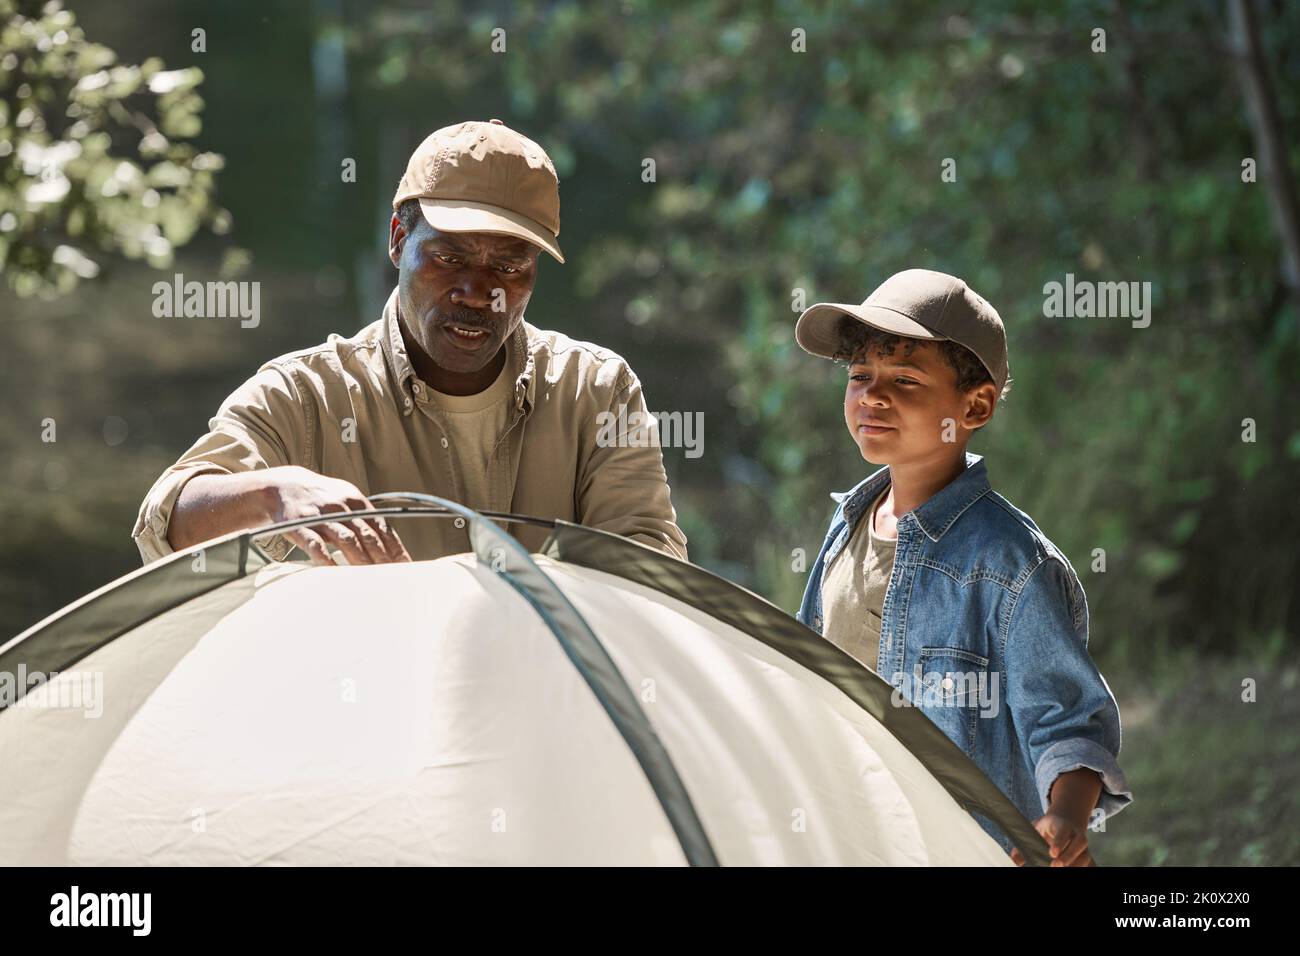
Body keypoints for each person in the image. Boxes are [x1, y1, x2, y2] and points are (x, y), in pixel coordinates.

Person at [133, 119, 687, 566]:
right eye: (450, 259)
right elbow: (168, 524)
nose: (478, 294)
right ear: (398, 241)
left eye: (510, 267)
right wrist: (273, 494)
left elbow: (651, 568)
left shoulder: (594, 390)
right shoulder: (305, 397)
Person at [793, 268, 1132, 865]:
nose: (873, 395)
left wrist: (1065, 818)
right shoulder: (845, 525)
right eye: (860, 376)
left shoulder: (1009, 563)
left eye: (905, 379)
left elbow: (1069, 720)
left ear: (974, 405)